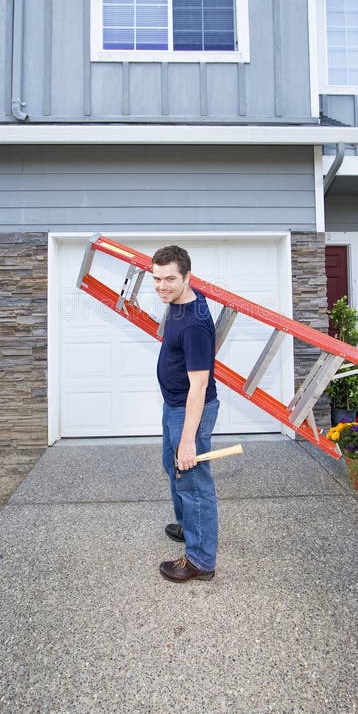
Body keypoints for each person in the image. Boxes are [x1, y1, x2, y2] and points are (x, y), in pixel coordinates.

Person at [151, 245, 219, 583]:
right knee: (172, 466)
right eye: (157, 278)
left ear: (188, 278)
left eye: (170, 279)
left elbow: (200, 386)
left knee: (193, 481)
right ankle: (190, 526)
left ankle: (200, 561)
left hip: (190, 409)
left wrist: (189, 440)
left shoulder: (194, 324)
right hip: (173, 404)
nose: (162, 286)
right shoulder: (180, 300)